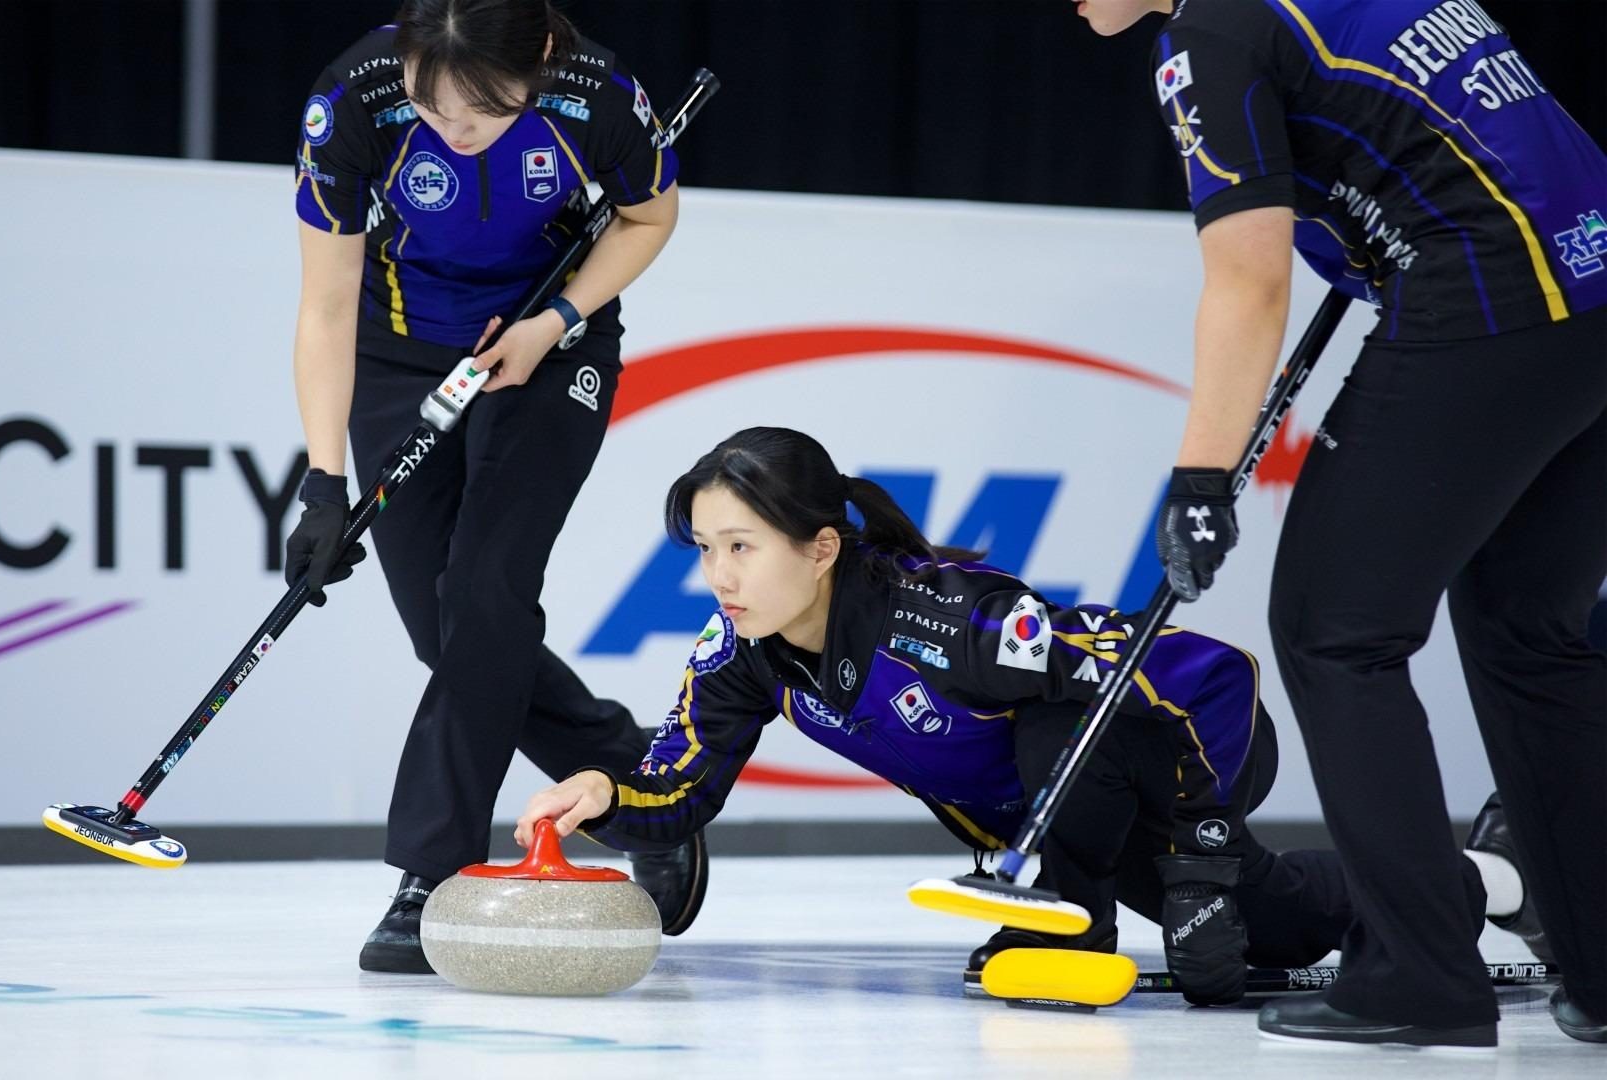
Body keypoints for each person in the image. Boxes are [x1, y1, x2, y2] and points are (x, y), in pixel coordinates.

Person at [512, 427, 1540, 1006]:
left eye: (741, 546)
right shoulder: (740, 657)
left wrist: (1202, 860)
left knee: (1062, 735)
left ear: (821, 548)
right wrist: (603, 791)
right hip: (1066, 815)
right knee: (1282, 927)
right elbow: (680, 783)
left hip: (1188, 737)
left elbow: (1170, 684)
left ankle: (1072, 904)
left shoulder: (951, 617)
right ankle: (1493, 874)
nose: (718, 576)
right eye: (703, 548)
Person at [1072, 0, 1607, 1048]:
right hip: (1593, 288)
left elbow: (1248, 280)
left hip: (1495, 299)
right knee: (1522, 627)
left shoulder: (1210, 42)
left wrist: (1199, 478)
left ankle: (1419, 975)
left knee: (1335, 630)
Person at [281, 0, 705, 973]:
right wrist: (321, 479)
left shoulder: (593, 91)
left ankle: (430, 873)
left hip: (554, 347)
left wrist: (554, 318)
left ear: (541, 63)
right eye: (435, 110)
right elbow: (327, 300)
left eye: (482, 115)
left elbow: (649, 213)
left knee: (485, 595)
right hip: (399, 355)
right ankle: (640, 784)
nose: (453, 131)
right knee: (450, 631)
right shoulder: (354, 102)